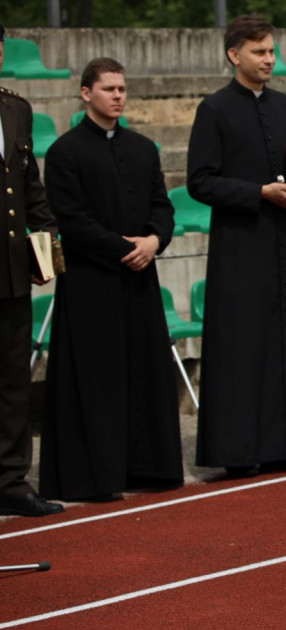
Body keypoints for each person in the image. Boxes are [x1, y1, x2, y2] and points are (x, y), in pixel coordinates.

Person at [39, 58, 183, 501]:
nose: (118, 96)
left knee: (143, 374)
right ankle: (95, 476)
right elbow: (72, 221)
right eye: (109, 89)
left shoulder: (143, 147)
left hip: (140, 279)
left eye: (122, 88)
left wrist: (154, 241)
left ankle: (146, 467)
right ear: (86, 94)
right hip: (91, 283)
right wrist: (127, 249)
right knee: (98, 380)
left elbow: (163, 206)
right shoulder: (64, 152)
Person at [187, 15, 286, 477]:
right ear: (234, 55)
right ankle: (238, 452)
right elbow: (199, 181)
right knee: (244, 347)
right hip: (240, 247)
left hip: (285, 242)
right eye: (259, 52)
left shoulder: (285, 106)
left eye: (271, 51)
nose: (269, 59)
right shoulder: (214, 109)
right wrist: (258, 193)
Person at [0, 24, 65, 518]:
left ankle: (11, 479)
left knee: (12, 381)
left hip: (11, 270)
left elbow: (31, 191)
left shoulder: (16, 109)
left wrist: (48, 255)